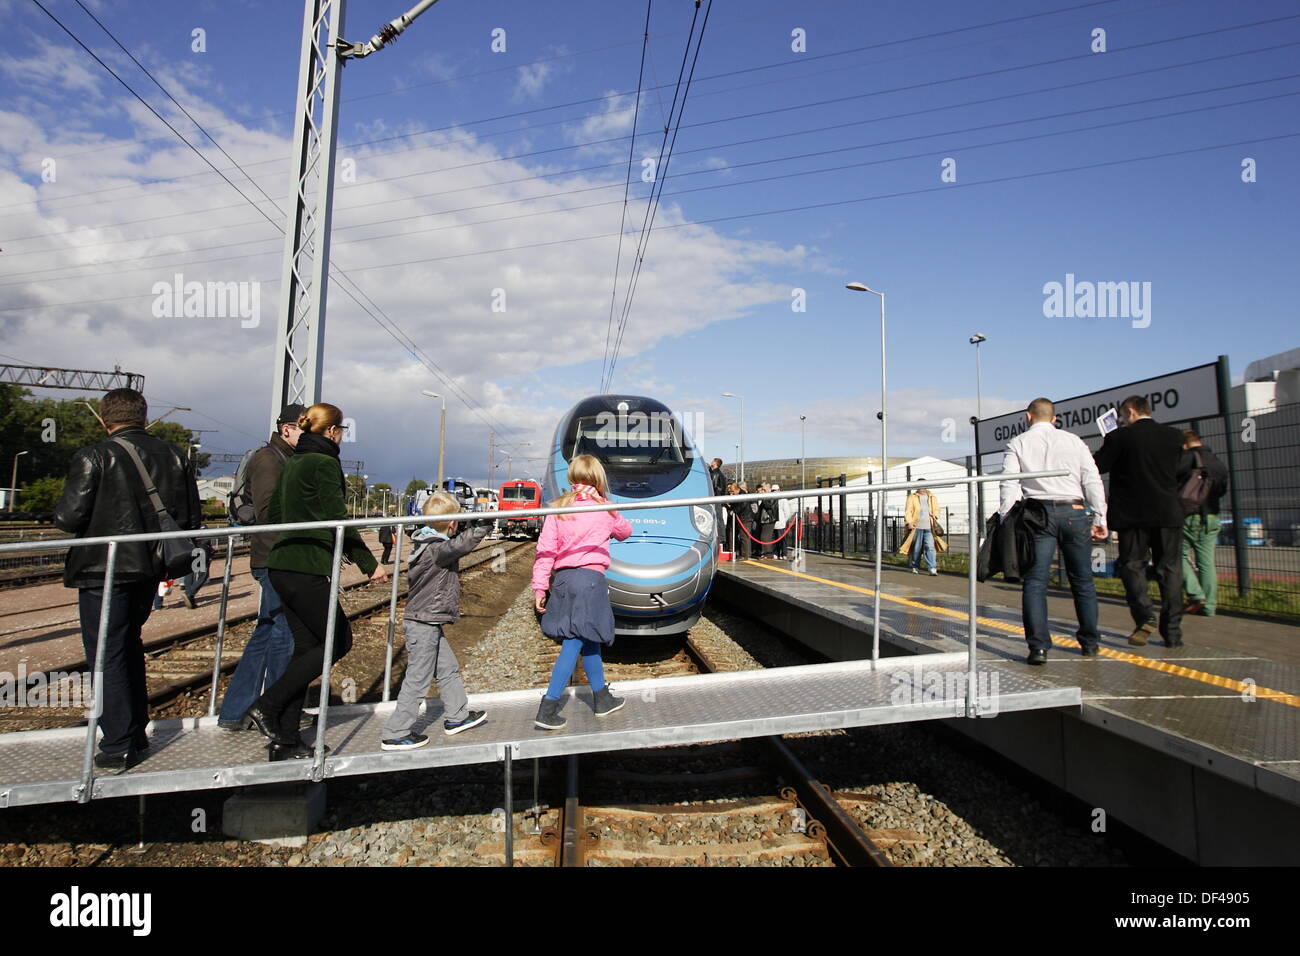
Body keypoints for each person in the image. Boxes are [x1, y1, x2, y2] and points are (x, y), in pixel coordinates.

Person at [53, 388, 202, 772]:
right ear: (144, 417)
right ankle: (134, 728)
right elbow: (190, 518)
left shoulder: (94, 456)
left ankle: (119, 742)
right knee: (127, 645)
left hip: (102, 570)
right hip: (151, 569)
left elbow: (68, 518)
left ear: (105, 420)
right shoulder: (175, 456)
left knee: (106, 652)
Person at [245, 403, 388, 760]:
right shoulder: (325, 463)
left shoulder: (293, 462)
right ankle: (267, 705)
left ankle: (286, 739)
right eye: (341, 431)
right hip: (306, 569)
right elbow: (336, 517)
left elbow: (275, 516)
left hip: (282, 567)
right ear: (332, 432)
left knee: (307, 649)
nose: (342, 437)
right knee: (339, 641)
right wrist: (370, 565)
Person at [1000, 397, 1108, 664]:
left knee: (1036, 582)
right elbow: (1091, 479)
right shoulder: (1074, 441)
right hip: (1074, 511)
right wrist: (1100, 515)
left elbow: (1009, 484)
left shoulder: (1018, 443)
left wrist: (1006, 518)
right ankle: (1090, 642)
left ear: (1028, 417)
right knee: (1082, 579)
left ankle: (1038, 647)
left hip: (1037, 514)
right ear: (1054, 418)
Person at [217, 404, 304, 731]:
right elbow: (269, 512)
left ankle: (238, 711)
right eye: (303, 429)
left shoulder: (285, 458)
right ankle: (274, 709)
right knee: (283, 634)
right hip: (274, 558)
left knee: (268, 631)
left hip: (277, 556)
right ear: (287, 430)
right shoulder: (269, 460)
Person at [380, 492, 489, 750]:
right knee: (418, 678)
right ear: (452, 524)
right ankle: (395, 732)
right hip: (423, 624)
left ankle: (457, 716)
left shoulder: (424, 542)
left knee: (448, 668)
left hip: (428, 621)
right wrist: (482, 527)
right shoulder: (435, 548)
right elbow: (459, 546)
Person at [532, 454, 632, 731]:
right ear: (598, 478)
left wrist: (540, 586)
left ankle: (602, 699)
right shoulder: (605, 508)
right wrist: (608, 510)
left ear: (572, 477)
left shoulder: (558, 508)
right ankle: (548, 706)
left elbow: (545, 551)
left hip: (563, 580)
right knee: (574, 640)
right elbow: (626, 532)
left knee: (590, 639)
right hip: (590, 580)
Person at [1094, 395, 1186, 647]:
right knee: (1170, 569)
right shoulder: (1174, 436)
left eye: (1124, 415)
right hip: (1168, 513)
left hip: (1132, 516)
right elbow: (1182, 470)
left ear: (1131, 412)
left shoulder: (1119, 437)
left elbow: (1097, 466)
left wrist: (1109, 441)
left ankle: (1145, 615)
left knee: (1131, 565)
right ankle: (1173, 632)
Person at [1178, 429, 1229, 617]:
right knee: (1206, 563)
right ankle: (1209, 606)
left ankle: (1195, 594)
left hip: (1187, 516)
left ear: (1184, 444)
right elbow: (1222, 490)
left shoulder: (1184, 460)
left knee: (1176, 555)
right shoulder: (1217, 462)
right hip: (1212, 516)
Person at [903, 482, 941, 575]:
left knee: (930, 547)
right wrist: (909, 522)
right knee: (917, 548)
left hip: (929, 527)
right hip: (917, 527)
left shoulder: (932, 497)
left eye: (923, 486)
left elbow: (937, 509)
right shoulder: (912, 497)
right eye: (919, 486)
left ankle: (932, 568)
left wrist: (935, 515)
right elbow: (908, 510)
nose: (921, 488)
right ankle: (915, 566)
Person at [757, 483, 778, 559]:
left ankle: (768, 554)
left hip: (769, 519)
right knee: (764, 537)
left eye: (764, 489)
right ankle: (765, 553)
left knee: (766, 537)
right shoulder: (766, 496)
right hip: (765, 519)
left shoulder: (771, 496)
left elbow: (768, 506)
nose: (762, 491)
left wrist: (763, 497)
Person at [772, 484, 791, 559]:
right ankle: (775, 553)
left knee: (782, 539)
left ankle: (784, 553)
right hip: (774, 523)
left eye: (776, 490)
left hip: (781, 523)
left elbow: (787, 512)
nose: (774, 492)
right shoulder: (771, 499)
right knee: (774, 539)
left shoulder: (783, 499)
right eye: (773, 490)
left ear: (779, 490)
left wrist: (784, 521)